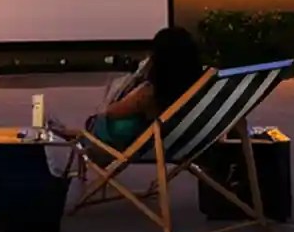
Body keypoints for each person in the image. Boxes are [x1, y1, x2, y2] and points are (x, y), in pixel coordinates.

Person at [55, 27, 204, 152]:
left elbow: (112, 111)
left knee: (102, 120)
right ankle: (79, 135)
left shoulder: (150, 93)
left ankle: (80, 136)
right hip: (177, 143)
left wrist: (136, 81)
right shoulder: (197, 87)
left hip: (130, 146)